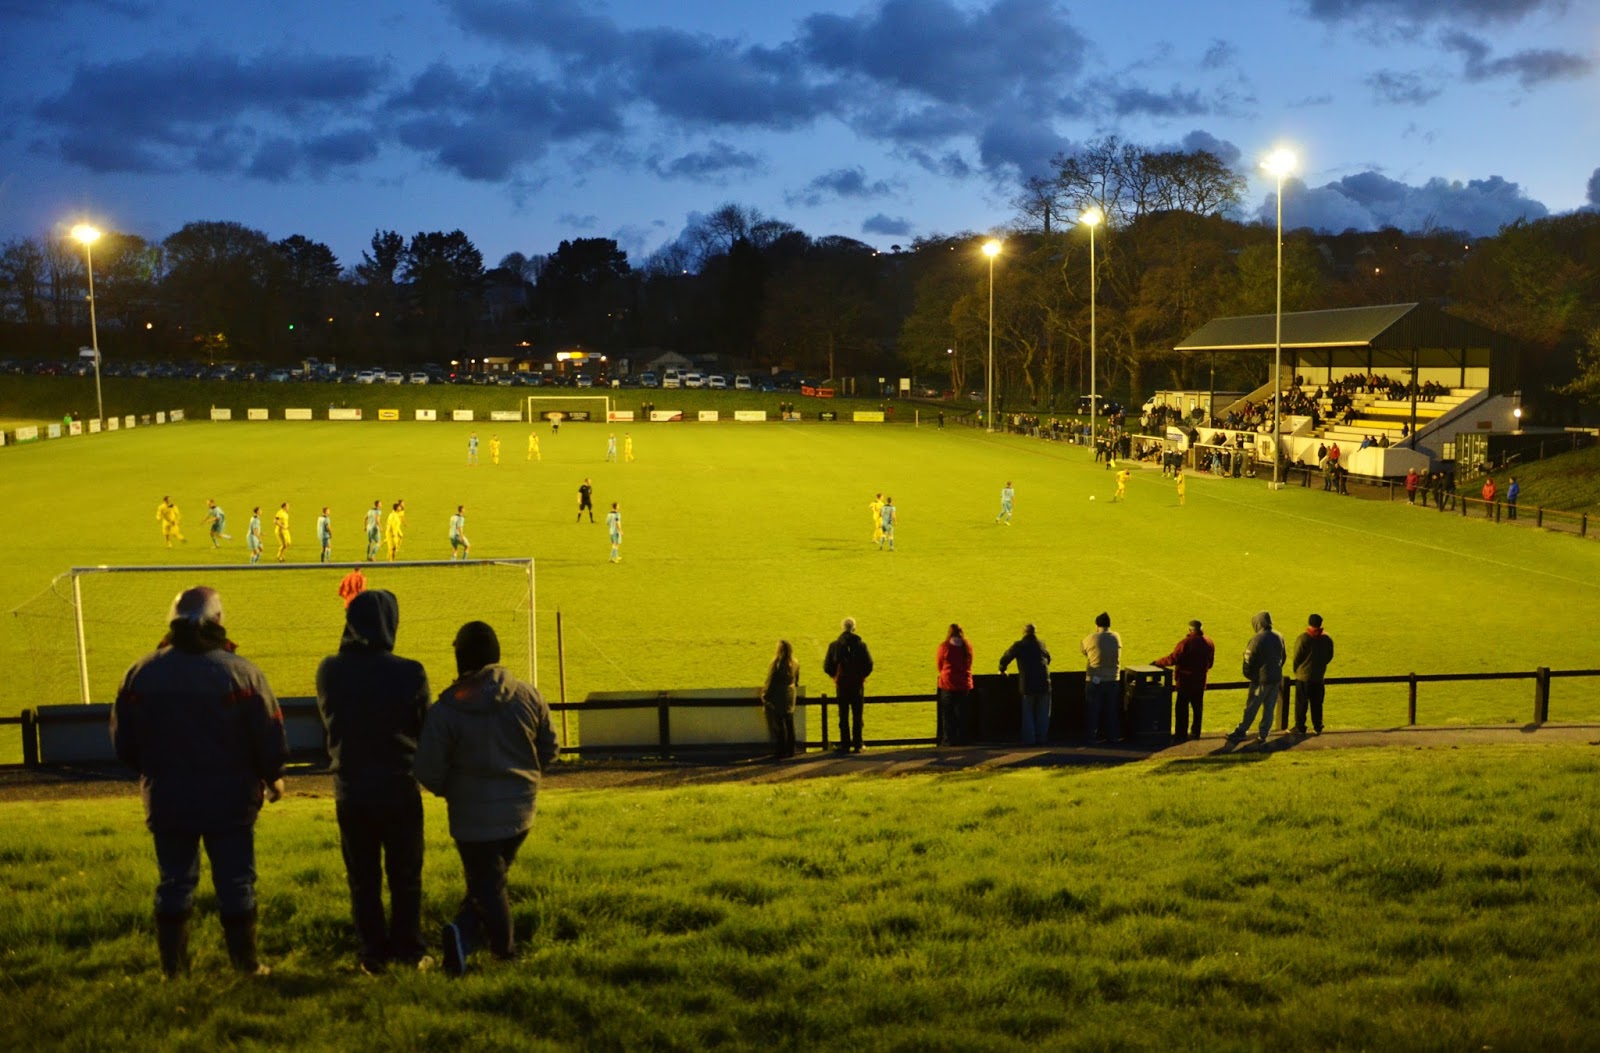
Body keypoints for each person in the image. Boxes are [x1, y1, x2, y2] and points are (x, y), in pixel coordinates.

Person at [110, 586, 288, 978]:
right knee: (236, 880)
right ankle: (246, 965)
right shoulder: (241, 673)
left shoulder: (141, 673)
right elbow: (268, 734)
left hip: (168, 797)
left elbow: (124, 743)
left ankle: (174, 971)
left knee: (174, 881)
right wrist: (272, 776)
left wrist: (157, 771)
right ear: (218, 621)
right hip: (231, 797)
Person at [415, 621, 559, 977]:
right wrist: (525, 774)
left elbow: (428, 770)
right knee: (488, 880)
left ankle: (497, 951)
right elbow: (549, 748)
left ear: (459, 658)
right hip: (520, 811)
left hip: (470, 816)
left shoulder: (445, 712)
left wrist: (455, 789)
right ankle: (467, 939)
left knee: (487, 883)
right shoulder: (529, 695)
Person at [315, 590, 432, 974]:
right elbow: (423, 728)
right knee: (405, 874)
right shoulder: (409, 672)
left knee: (362, 877)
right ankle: (409, 948)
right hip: (398, 786)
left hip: (351, 789)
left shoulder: (329, 670)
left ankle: (372, 952)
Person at [1228, 612, 1287, 745]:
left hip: (1260, 681)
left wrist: (1251, 676)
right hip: (1275, 679)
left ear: (1258, 623)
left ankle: (1241, 731)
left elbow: (1248, 659)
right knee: (1269, 708)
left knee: (1252, 706)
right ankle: (1263, 734)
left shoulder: (1257, 639)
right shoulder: (1279, 636)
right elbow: (1283, 656)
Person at [1151, 619, 1215, 740]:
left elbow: (1173, 658)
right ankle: (1196, 732)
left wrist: (1157, 663)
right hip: (1200, 680)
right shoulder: (1209, 642)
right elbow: (1210, 663)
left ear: (1190, 629)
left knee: (1181, 708)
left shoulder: (1186, 643)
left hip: (1185, 680)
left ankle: (1181, 733)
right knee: (1197, 708)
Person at [823, 617, 874, 753]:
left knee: (843, 715)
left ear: (842, 628)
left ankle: (845, 744)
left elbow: (827, 666)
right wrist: (862, 676)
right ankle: (858, 744)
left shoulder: (834, 646)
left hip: (842, 685)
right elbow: (869, 664)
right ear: (854, 628)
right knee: (857, 715)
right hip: (857, 685)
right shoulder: (861, 645)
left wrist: (835, 677)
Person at [999, 624, 1052, 746]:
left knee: (1028, 713)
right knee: (1043, 713)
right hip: (1044, 682)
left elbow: (1006, 658)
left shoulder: (1019, 645)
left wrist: (1002, 669)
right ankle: (1042, 738)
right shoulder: (1041, 644)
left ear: (1024, 633)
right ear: (1035, 632)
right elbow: (1048, 659)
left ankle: (1029, 740)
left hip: (1027, 683)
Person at [1291, 613, 1336, 736]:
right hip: (1318, 676)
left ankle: (1300, 727)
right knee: (1317, 703)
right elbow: (1329, 656)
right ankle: (1317, 725)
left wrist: (1297, 670)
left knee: (1301, 704)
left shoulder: (1304, 638)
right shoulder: (1327, 639)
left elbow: (1297, 657)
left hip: (1303, 677)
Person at [1081, 612, 1122, 743]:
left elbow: (1083, 650)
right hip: (1113, 679)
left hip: (1095, 679)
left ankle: (1091, 737)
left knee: (1093, 710)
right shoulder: (1116, 637)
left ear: (1097, 625)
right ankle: (1112, 736)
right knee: (1111, 710)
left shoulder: (1091, 637)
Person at [760, 640, 800, 759]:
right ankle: (791, 749)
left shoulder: (776, 663)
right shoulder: (795, 662)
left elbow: (770, 680)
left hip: (778, 695)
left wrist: (765, 695)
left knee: (778, 724)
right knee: (789, 722)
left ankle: (780, 750)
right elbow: (796, 680)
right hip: (790, 695)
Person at [936, 624, 974, 746]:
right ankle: (963, 739)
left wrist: (944, 674)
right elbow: (969, 663)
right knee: (962, 714)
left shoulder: (945, 647)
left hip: (948, 684)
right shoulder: (966, 646)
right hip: (963, 684)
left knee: (947, 714)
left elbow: (939, 664)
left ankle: (948, 740)